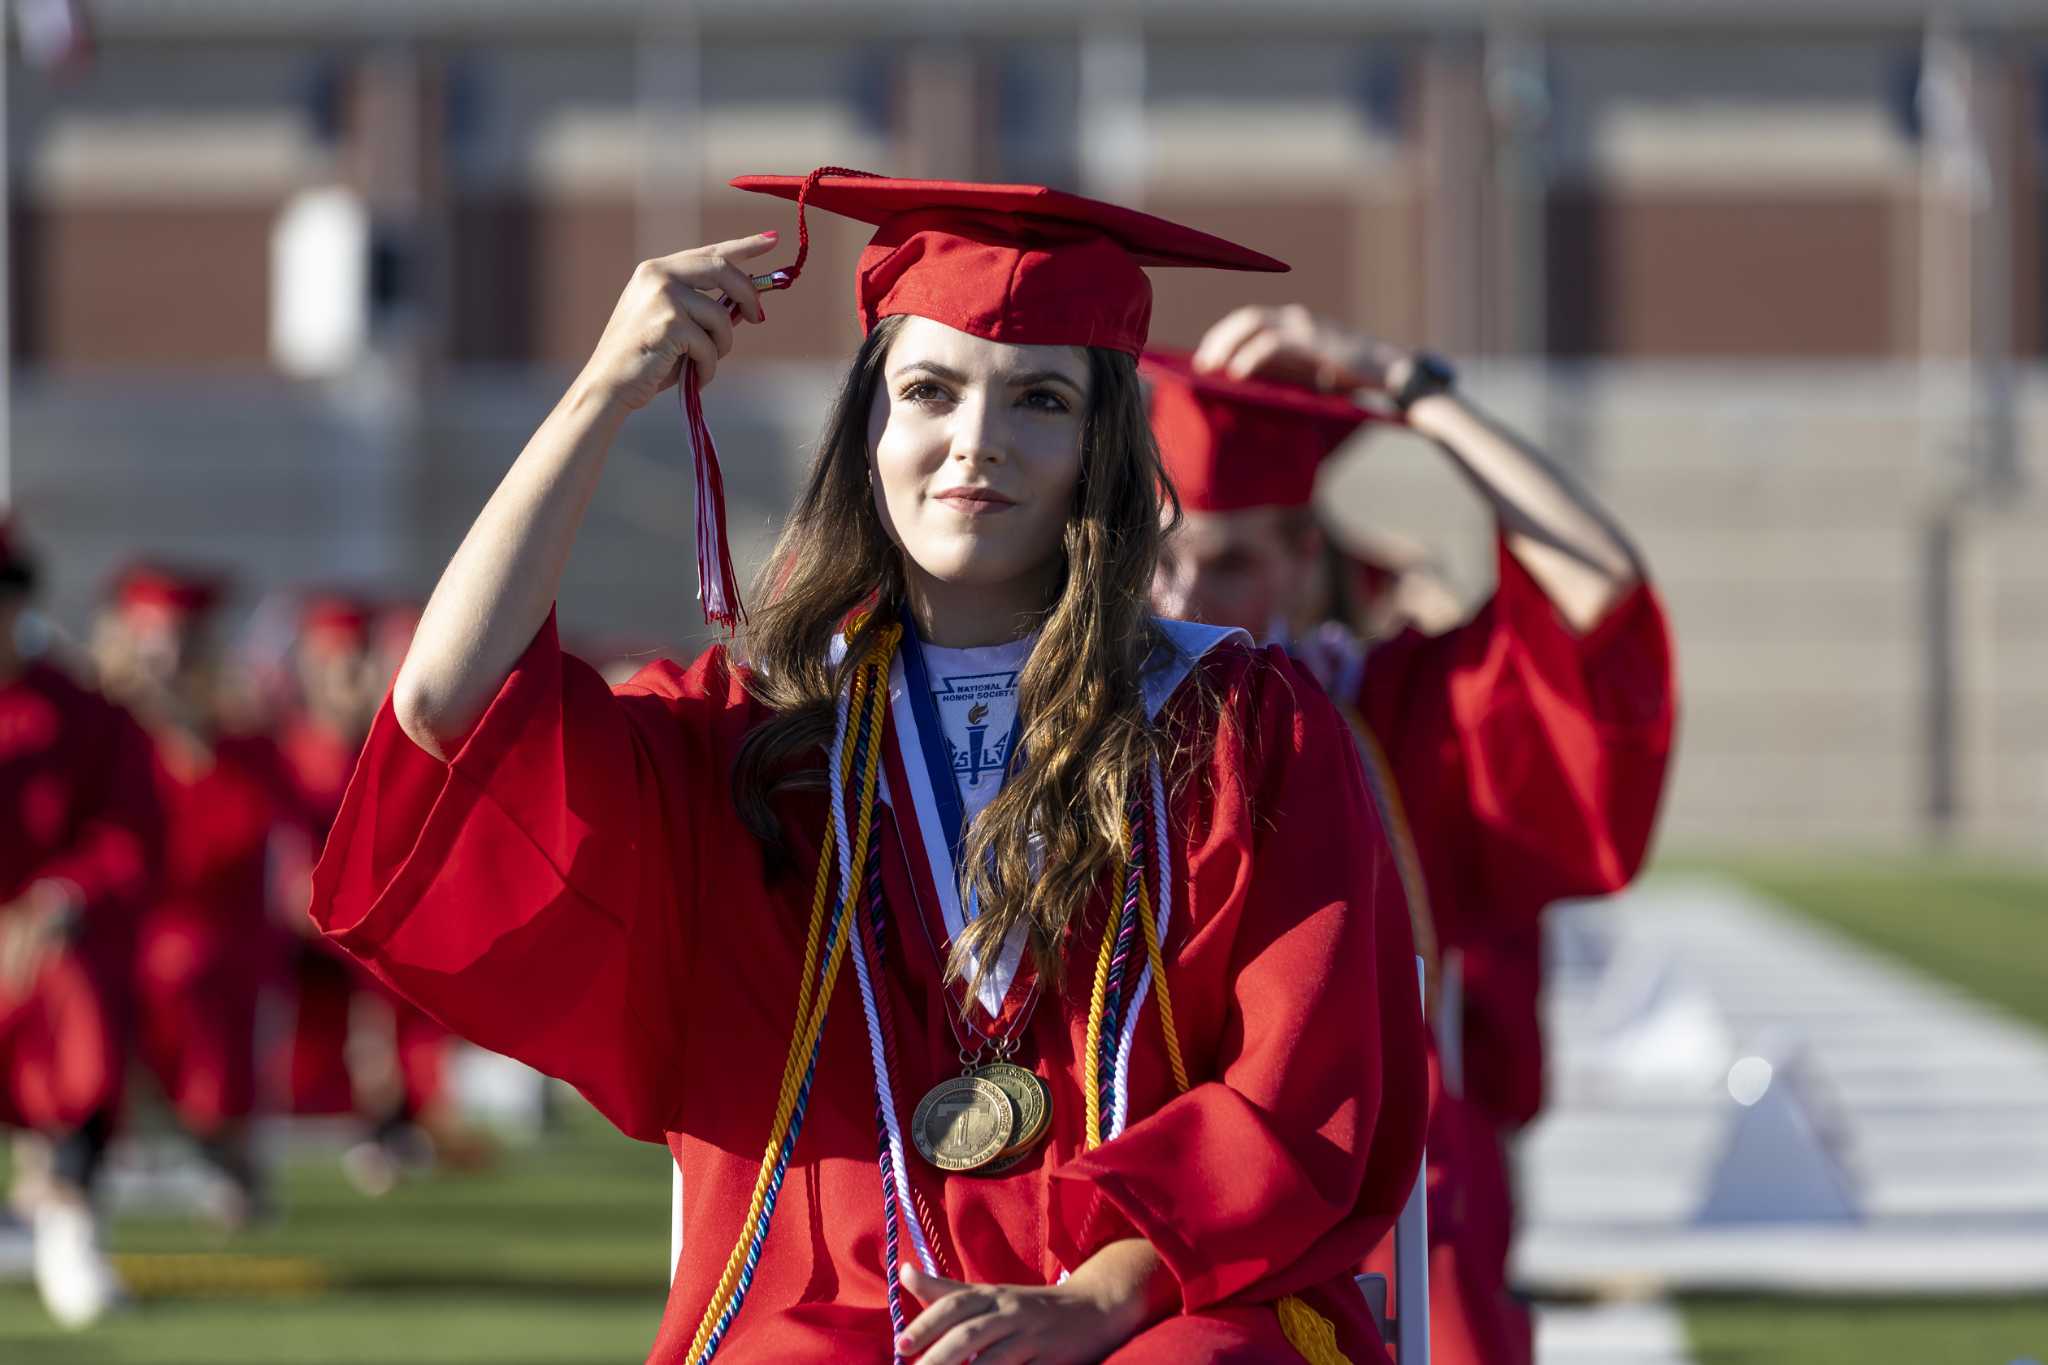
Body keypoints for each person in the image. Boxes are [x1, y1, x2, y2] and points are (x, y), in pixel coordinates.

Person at [308, 170, 1428, 1363]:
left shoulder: (1234, 721)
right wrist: (599, 394)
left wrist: (1095, 1301)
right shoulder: (752, 733)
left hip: (1152, 1297)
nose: (975, 445)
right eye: (929, 391)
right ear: (869, 427)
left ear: (1100, 446)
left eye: (1039, 400)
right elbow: (447, 705)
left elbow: (1299, 1087)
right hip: (830, 1299)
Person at [1146, 311, 1677, 1363]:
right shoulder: (1077, 725)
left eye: (1229, 563)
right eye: (1156, 559)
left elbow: (1596, 593)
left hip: (1387, 1200)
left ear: (1304, 559)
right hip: (1153, 1192)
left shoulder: (1387, 716)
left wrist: (1409, 389)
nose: (1185, 600)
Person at [0, 517, 162, 1326]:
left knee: (77, 996)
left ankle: (67, 1213)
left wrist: (56, 898)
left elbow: (127, 836)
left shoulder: (84, 715)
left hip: (46, 945)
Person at [94, 562, 285, 1228]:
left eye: (177, 636)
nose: (164, 653)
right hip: (120, 917)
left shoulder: (234, 726)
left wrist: (183, 729)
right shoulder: (97, 719)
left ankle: (225, 1154)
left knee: (195, 967)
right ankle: (64, 1168)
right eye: (150, 636)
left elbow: (241, 827)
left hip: (211, 925)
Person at [268, 592, 455, 1194]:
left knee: (389, 986)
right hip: (301, 921)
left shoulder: (386, 743)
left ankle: (391, 1117)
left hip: (368, 916)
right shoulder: (287, 750)